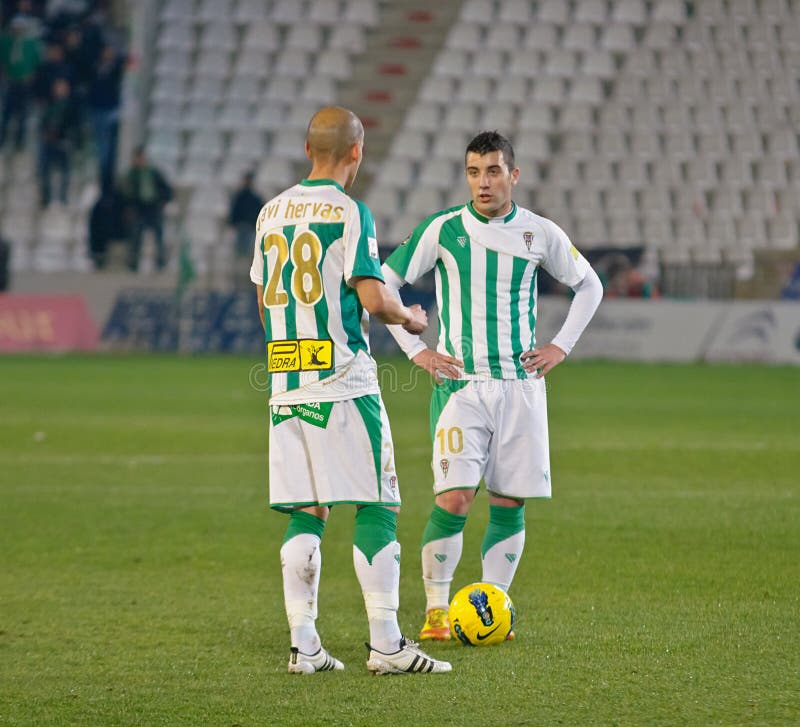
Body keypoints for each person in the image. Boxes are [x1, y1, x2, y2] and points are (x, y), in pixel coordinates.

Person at [249, 106, 452, 675]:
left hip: (286, 376)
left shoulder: (270, 213)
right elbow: (371, 296)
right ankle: (387, 645)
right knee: (378, 503)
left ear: (307, 147)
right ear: (356, 152)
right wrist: (410, 320)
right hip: (343, 379)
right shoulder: (349, 211)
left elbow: (264, 301)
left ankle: (304, 647)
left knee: (306, 510)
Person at [381, 130, 604, 641]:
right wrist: (417, 350)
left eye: (493, 171)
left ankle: (489, 607)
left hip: (521, 388)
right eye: (474, 172)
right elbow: (384, 284)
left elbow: (590, 285)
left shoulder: (539, 232)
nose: (483, 182)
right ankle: (437, 612)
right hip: (461, 386)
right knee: (454, 499)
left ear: (513, 175)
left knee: (509, 502)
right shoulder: (443, 230)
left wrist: (561, 346)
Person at [122, 146, 173, 271]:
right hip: (139, 209)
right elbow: (126, 193)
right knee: (136, 237)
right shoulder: (132, 175)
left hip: (154, 208)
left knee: (158, 237)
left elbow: (167, 190)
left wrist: (163, 201)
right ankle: (133, 263)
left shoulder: (154, 173)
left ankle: (160, 263)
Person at [38, 76, 79, 206]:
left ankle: (63, 197)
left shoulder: (72, 106)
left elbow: (74, 125)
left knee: (65, 172)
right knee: (44, 170)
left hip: (64, 143)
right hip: (49, 142)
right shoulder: (49, 104)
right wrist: (46, 133)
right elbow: (43, 121)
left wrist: (62, 135)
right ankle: (46, 197)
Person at [228, 170, 263, 261]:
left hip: (250, 227)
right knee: (239, 252)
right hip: (241, 227)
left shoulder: (254, 197)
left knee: (248, 253)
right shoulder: (240, 196)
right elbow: (234, 211)